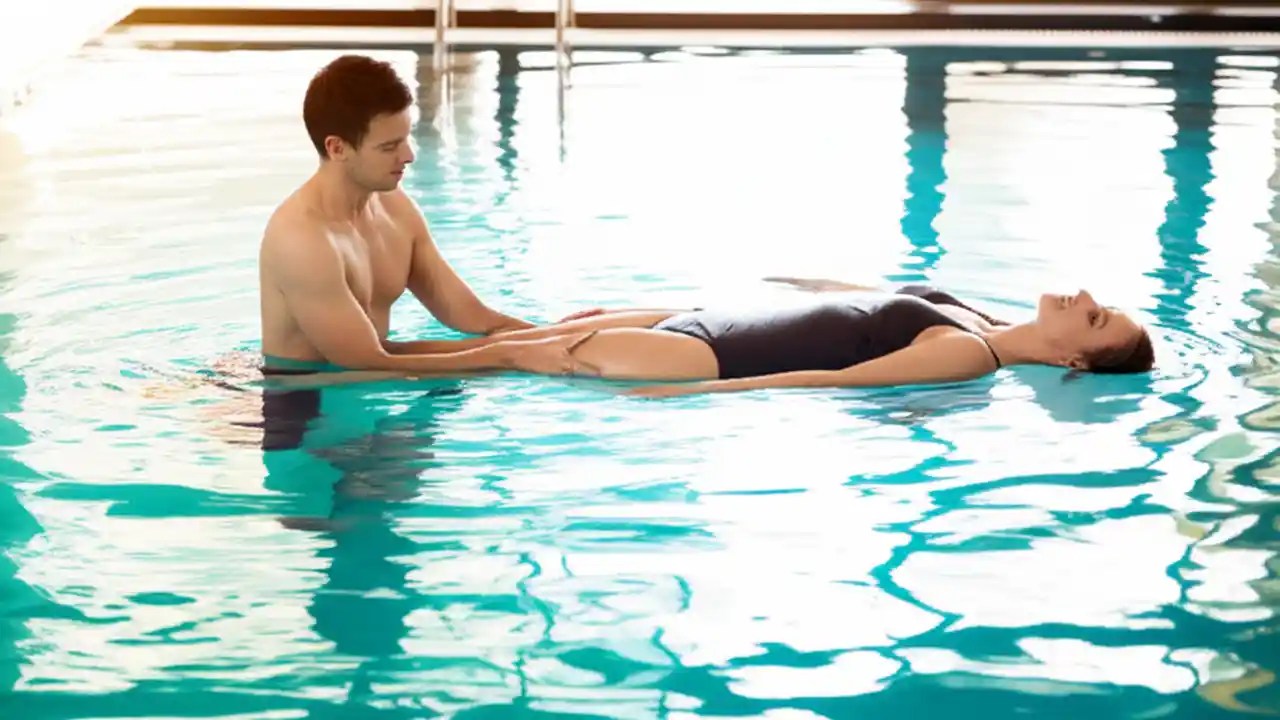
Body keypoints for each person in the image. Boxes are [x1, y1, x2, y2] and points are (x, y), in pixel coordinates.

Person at [258, 54, 601, 380]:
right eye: (389, 147)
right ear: (337, 148)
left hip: (374, 376)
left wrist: (550, 334)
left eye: (405, 138)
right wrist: (508, 355)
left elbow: (470, 315)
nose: (408, 155)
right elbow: (366, 364)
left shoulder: (394, 208)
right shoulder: (302, 240)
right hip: (300, 403)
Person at [301, 276, 1154, 398]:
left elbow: (832, 380)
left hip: (707, 357)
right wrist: (646, 301)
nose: (1085, 298)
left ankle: (306, 382)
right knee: (519, 339)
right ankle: (308, 364)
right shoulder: (963, 308)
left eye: (1097, 316)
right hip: (700, 320)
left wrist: (711, 394)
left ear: (1075, 357)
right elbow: (818, 293)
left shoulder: (972, 353)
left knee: (500, 359)